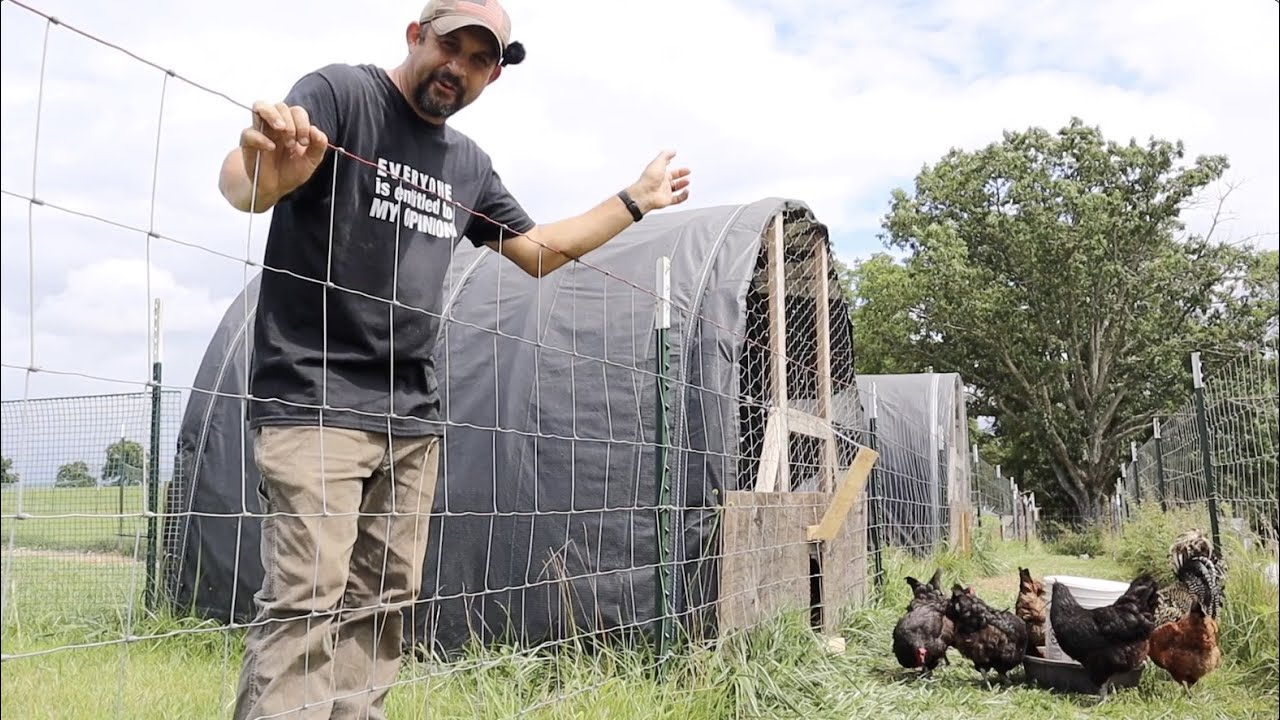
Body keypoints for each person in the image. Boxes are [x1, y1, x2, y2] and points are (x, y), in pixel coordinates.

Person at [215, 1, 691, 718]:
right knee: (307, 596)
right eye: (450, 47)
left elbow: (534, 253)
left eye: (479, 60)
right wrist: (267, 168)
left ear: (493, 77)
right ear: (416, 36)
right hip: (315, 398)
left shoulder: (467, 165)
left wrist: (634, 201)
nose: (458, 68)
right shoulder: (342, 95)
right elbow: (244, 188)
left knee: (381, 604)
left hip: (411, 416)